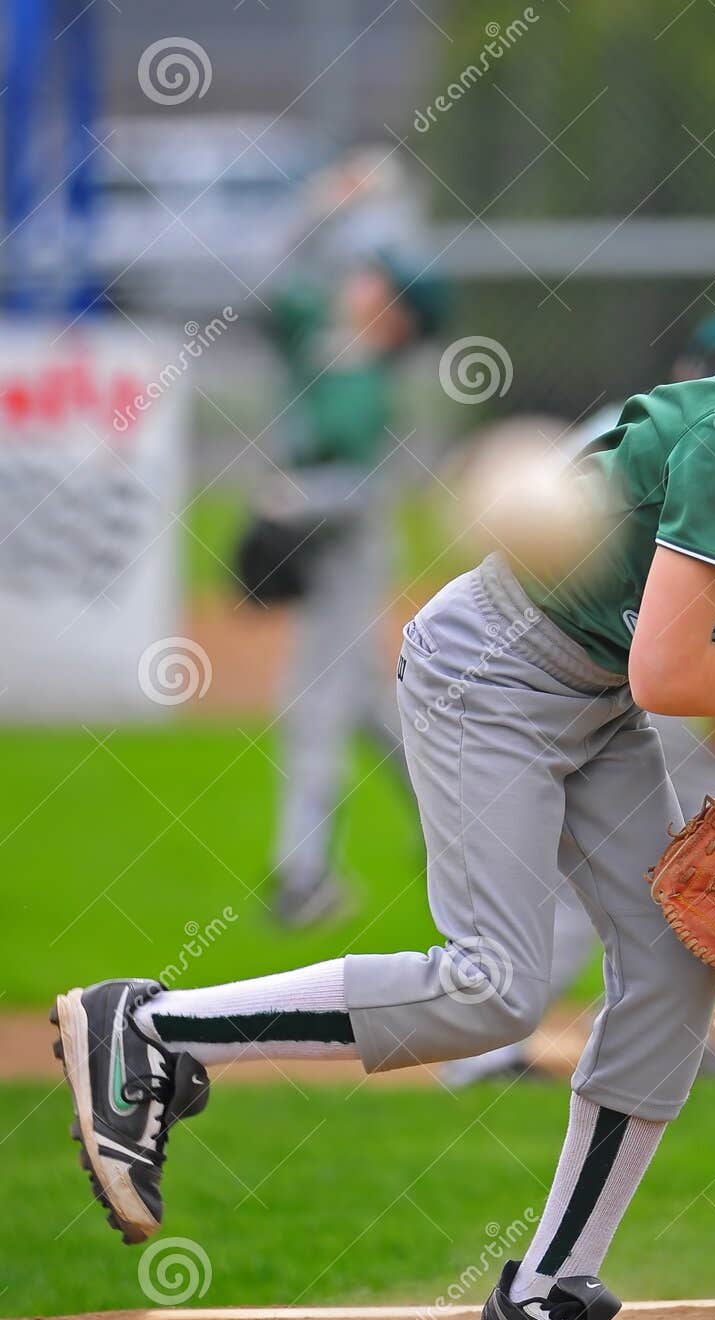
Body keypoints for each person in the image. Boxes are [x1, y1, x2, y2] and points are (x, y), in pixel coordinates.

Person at [50, 183, 715, 1320]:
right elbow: (677, 672)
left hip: (600, 699)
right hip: (494, 670)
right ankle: (156, 1029)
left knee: (674, 966)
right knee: (496, 984)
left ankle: (545, 1293)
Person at [438, 305, 715, 1089]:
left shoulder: (637, 420)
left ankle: (660, 1040)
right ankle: (500, 1053)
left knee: (651, 865)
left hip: (572, 672)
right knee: (669, 866)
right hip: (616, 679)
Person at [259, 154, 449, 927]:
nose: (358, 281)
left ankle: (304, 879)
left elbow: (363, 488)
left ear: (398, 312)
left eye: (376, 280)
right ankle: (458, 826)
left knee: (316, 707)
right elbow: (276, 280)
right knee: (369, 709)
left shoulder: (379, 377)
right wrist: (323, 201)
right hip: (323, 546)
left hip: (351, 551)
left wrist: (284, 503)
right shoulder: (334, 344)